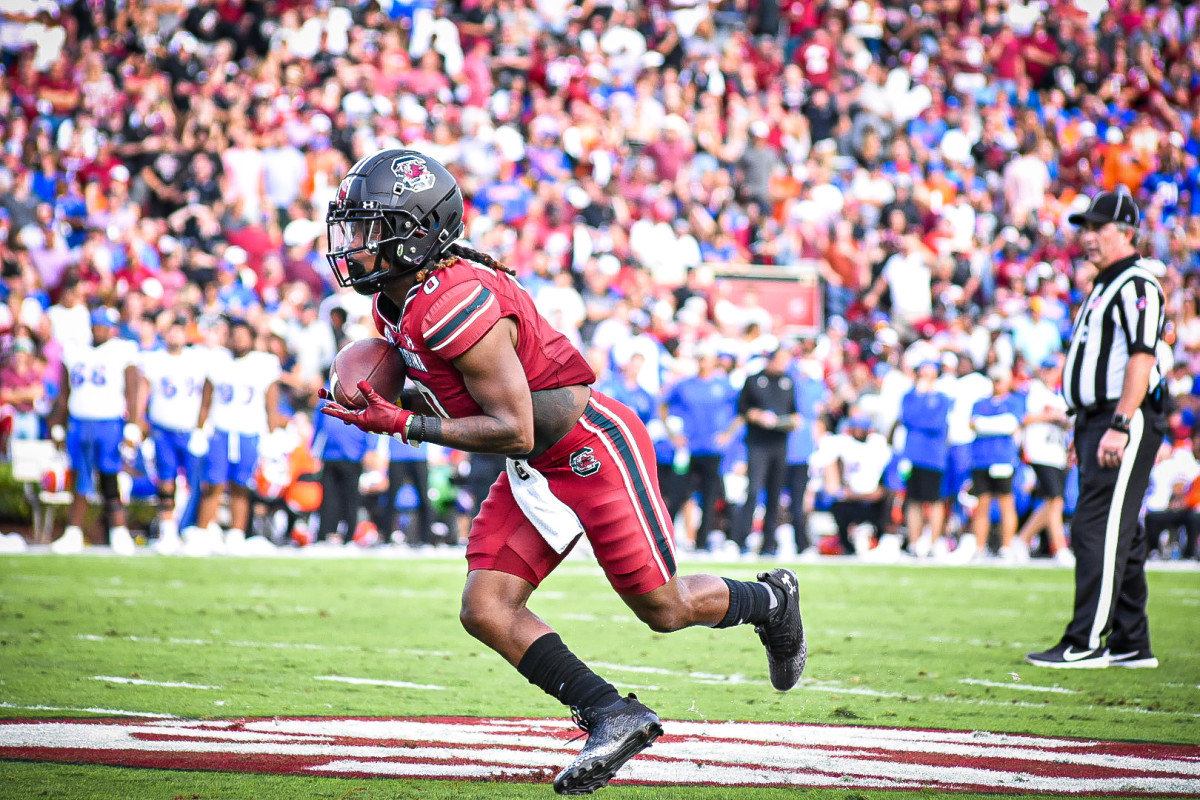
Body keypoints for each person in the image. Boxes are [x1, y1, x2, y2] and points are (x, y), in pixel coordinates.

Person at [318, 150, 806, 795]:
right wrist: (392, 401)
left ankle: (771, 600)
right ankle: (612, 713)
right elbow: (464, 399)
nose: (354, 246)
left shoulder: (452, 302)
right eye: (352, 228)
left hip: (589, 450)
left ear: (419, 233)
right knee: (486, 608)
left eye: (371, 230)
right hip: (536, 465)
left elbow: (511, 425)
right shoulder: (397, 302)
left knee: (665, 609)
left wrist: (404, 424)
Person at [1027, 190, 1167, 669]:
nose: (1088, 238)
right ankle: (1131, 640)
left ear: (1127, 232)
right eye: (1084, 228)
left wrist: (1120, 422)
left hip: (1121, 416)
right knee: (1122, 534)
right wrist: (1083, 422)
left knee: (1095, 528)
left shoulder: (1136, 284)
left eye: (1098, 228)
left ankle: (1085, 640)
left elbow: (1143, 357)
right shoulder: (1105, 285)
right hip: (1097, 419)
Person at [48, 306, 140, 555]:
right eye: (97, 325)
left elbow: (133, 393)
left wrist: (133, 425)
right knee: (79, 477)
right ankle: (74, 531)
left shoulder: (122, 351)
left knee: (110, 477)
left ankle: (119, 532)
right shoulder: (75, 350)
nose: (100, 330)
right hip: (79, 422)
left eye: (105, 326)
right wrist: (57, 422)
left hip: (109, 423)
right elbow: (64, 392)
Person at [196, 319, 284, 554]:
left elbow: (271, 404)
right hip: (220, 432)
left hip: (249, 432)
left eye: (244, 336)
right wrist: (199, 428)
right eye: (235, 336)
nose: (239, 340)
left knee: (241, 486)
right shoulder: (217, 360)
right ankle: (204, 532)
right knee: (213, 484)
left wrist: (272, 434)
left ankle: (236, 533)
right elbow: (206, 400)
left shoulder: (264, 363)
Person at [135, 315, 209, 554]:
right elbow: (143, 394)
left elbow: (208, 391)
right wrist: (138, 424)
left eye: (179, 331)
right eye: (171, 331)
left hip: (188, 429)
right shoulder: (154, 360)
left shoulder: (197, 359)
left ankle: (193, 529)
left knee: (197, 482)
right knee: (165, 481)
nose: (175, 336)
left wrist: (202, 425)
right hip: (163, 429)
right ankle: (167, 530)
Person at [731, 346, 800, 556]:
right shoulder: (753, 380)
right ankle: (741, 539)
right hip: (758, 443)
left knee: (775, 493)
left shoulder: (788, 382)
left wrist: (791, 421)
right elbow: (742, 409)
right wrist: (757, 415)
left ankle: (769, 543)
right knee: (753, 490)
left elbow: (794, 412)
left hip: (779, 442)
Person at [958, 364, 1024, 563]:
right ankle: (980, 547)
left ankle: (1006, 546)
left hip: (1003, 460)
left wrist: (985, 424)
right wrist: (995, 424)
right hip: (981, 460)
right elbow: (972, 424)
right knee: (982, 504)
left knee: (1006, 502)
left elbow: (1010, 425)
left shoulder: (1014, 401)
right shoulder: (980, 402)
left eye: (1000, 379)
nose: (996, 384)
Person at [1014, 355, 1075, 566]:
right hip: (1039, 451)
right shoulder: (1033, 390)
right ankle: (1059, 548)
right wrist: (1051, 416)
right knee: (1055, 500)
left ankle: (1021, 540)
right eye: (1047, 368)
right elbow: (1023, 417)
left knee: (1052, 501)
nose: (1050, 373)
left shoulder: (1058, 395)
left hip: (1057, 453)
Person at [898, 360, 953, 558]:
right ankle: (914, 543)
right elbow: (907, 417)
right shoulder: (910, 396)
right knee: (913, 500)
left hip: (933, 457)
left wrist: (920, 414)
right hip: (913, 455)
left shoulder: (943, 399)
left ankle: (932, 542)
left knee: (934, 500)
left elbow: (935, 423)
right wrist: (920, 398)